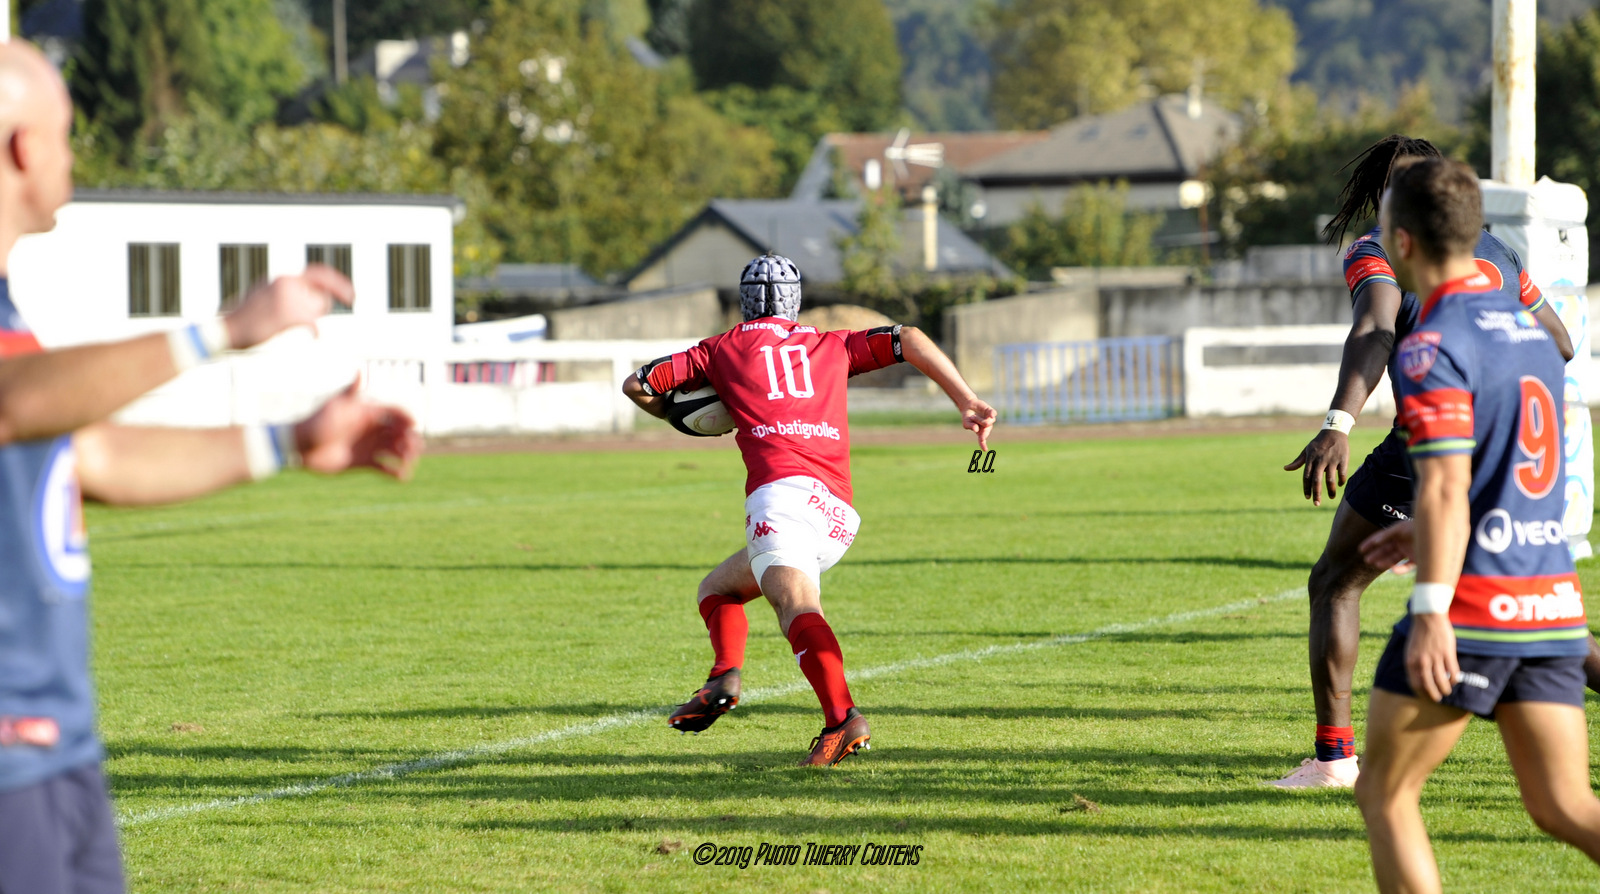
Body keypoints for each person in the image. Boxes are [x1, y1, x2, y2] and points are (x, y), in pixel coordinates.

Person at [0, 42, 422, 893]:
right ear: (23, 147)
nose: (75, 155)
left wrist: (289, 441)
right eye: (67, 134)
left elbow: (94, 453)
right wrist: (222, 330)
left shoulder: (11, 313)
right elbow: (10, 400)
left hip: (58, 748)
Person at [1270, 134, 1585, 789]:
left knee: (1336, 581)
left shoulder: (1379, 249)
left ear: (1391, 205)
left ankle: (1334, 760)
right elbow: (1559, 342)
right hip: (1515, 449)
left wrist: (1337, 422)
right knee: (1530, 605)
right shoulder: (1495, 249)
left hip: (1437, 441)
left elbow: (1376, 329)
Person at [622, 253, 995, 766]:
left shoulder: (719, 348)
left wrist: (682, 418)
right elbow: (908, 337)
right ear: (796, 300)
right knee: (718, 588)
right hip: (836, 514)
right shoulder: (830, 344)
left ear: (744, 300)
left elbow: (638, 385)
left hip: (781, 497)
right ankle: (722, 677)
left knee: (797, 609)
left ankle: (842, 720)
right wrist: (967, 399)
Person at [1348, 156, 1600, 892]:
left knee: (1385, 793)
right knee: (1562, 806)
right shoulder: (1534, 336)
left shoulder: (1432, 345)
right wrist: (1429, 533)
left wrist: (1431, 609)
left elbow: (1445, 485)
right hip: (1549, 602)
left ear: (1401, 242)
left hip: (1474, 610)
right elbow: (1509, 478)